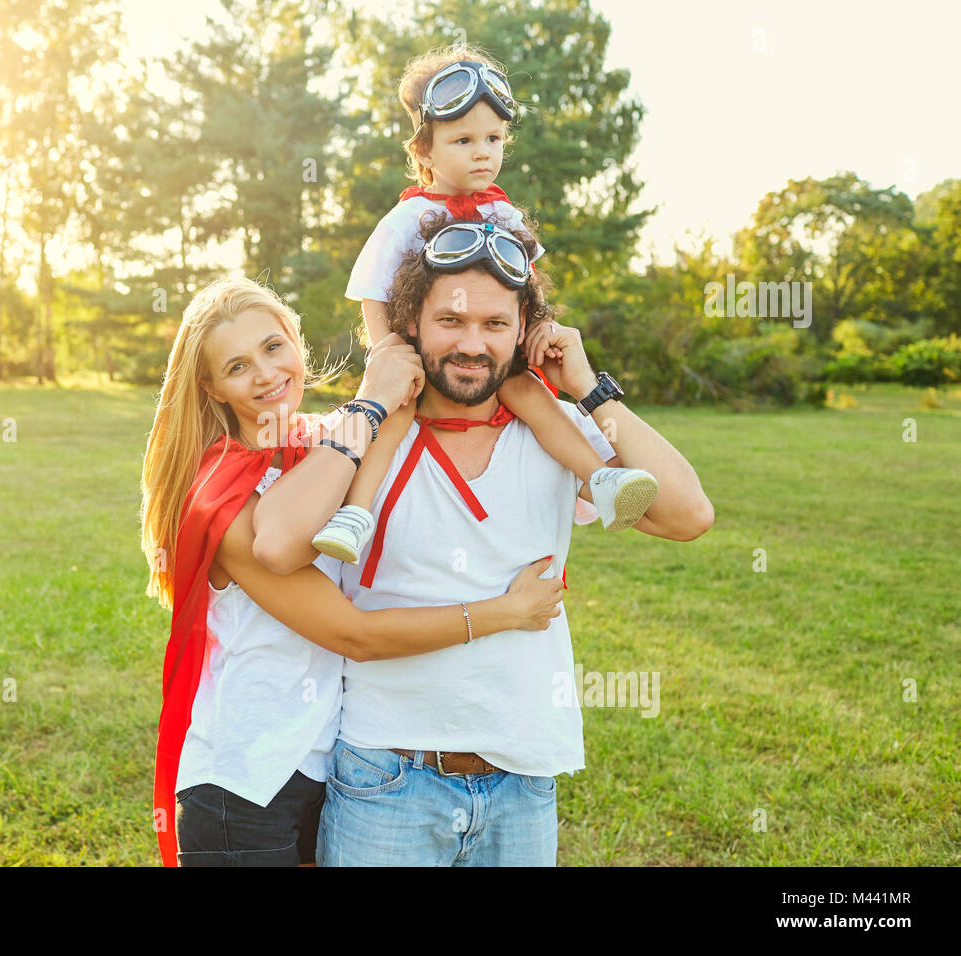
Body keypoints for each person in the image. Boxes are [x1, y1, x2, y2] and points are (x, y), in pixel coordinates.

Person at [261, 215, 715, 866]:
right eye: (452, 320)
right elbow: (278, 543)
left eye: (495, 325)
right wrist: (371, 397)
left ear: (524, 332)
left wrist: (588, 387)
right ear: (411, 321)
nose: (472, 343)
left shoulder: (553, 430)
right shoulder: (361, 433)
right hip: (386, 778)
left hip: (522, 778)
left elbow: (688, 515)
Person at [139, 276, 571, 867]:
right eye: (237, 366)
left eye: (273, 347)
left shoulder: (322, 443)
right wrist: (507, 613)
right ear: (210, 385)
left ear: (296, 341)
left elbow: (421, 401)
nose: (266, 374)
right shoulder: (220, 494)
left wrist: (512, 365)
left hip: (320, 764)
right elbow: (353, 634)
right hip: (244, 782)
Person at [312, 44, 659, 566]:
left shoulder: (502, 210)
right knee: (396, 418)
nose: (482, 153)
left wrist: (540, 327)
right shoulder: (406, 219)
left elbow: (529, 283)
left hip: (492, 350)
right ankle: (356, 515)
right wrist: (387, 352)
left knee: (535, 400)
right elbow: (372, 292)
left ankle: (600, 479)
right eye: (464, 140)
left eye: (493, 139)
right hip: (425, 354)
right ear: (424, 151)